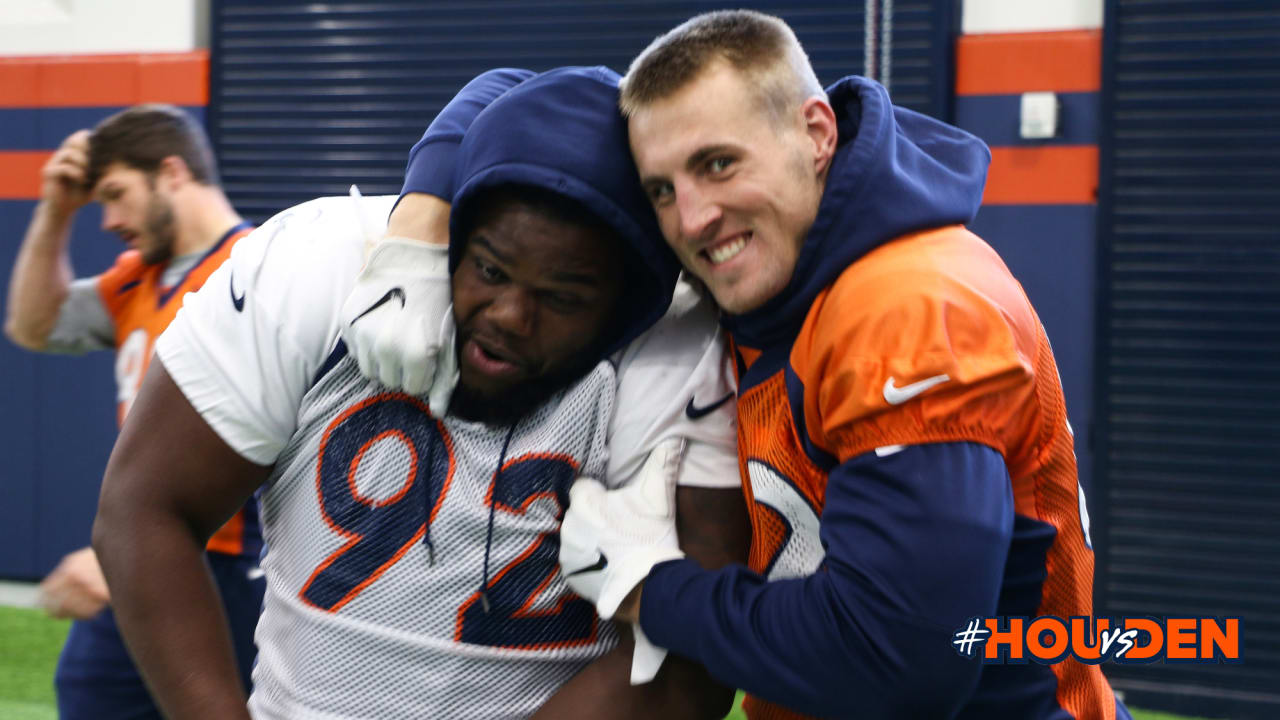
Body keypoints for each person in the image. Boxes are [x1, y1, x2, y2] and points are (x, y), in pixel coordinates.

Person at [92, 67, 746, 720]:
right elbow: (144, 506)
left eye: (563, 297)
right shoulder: (321, 264)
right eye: (490, 269)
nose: (510, 315)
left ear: (628, 306)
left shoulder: (674, 343)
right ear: (447, 241)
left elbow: (690, 664)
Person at [557, 10, 1134, 720]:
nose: (692, 218)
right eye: (663, 190)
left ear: (817, 134)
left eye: (718, 163)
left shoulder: (907, 307)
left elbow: (898, 659)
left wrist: (651, 589)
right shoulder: (783, 286)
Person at [3, 104, 264, 720]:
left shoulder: (256, 270)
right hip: (156, 540)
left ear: (172, 173)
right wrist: (55, 211)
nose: (111, 219)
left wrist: (150, 541)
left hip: (232, 554)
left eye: (116, 194)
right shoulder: (139, 280)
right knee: (92, 690)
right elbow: (32, 325)